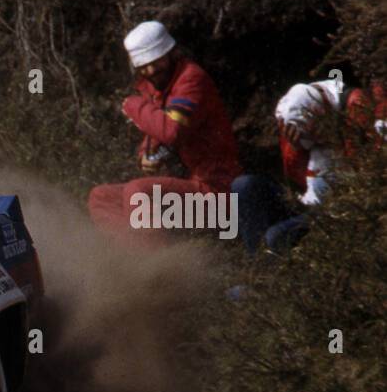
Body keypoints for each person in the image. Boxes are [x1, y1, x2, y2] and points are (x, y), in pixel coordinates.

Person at [88, 21, 241, 246]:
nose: (150, 71)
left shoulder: (190, 79)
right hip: (191, 192)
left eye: (156, 61)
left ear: (172, 53)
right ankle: (128, 256)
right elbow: (158, 134)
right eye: (143, 65)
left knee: (138, 191)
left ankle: (159, 266)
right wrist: (146, 154)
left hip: (218, 194)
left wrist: (134, 106)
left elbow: (171, 131)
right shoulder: (160, 87)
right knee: (101, 197)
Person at [232, 78, 387, 254]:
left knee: (275, 236)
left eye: (315, 133)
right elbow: (296, 179)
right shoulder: (292, 117)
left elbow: (370, 172)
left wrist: (336, 142)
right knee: (245, 186)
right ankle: (258, 266)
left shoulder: (355, 110)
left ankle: (270, 267)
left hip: (341, 208)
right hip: (309, 202)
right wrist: (296, 148)